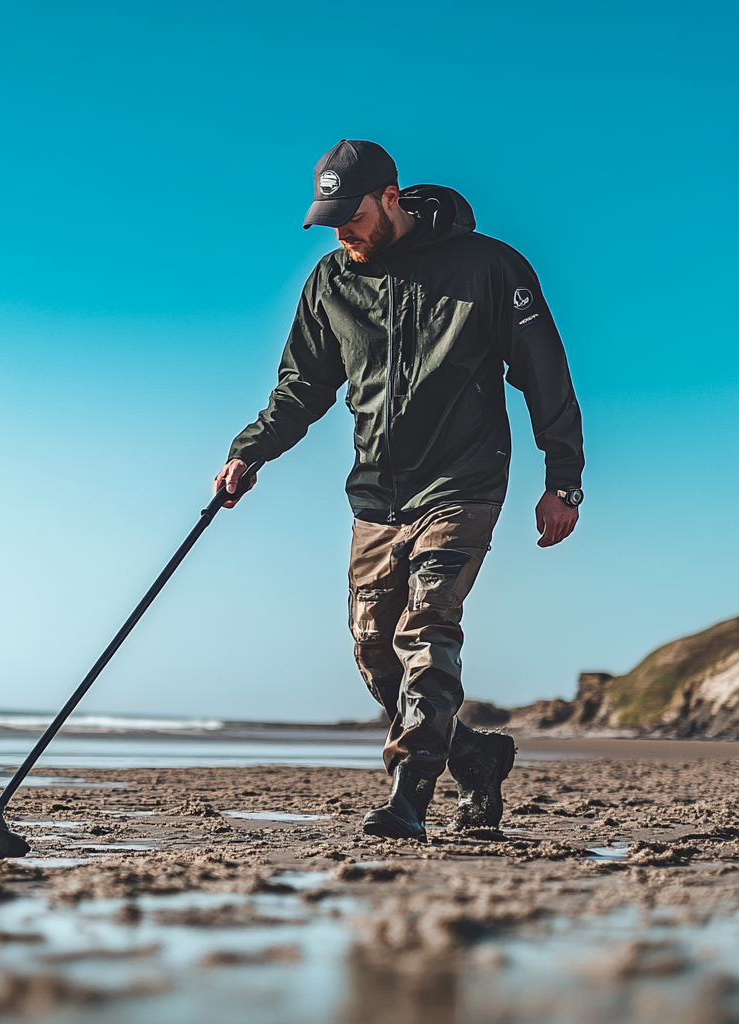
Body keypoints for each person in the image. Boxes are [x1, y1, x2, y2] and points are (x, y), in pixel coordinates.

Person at [213, 140, 584, 841]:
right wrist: (249, 454)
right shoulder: (331, 282)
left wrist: (564, 478)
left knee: (426, 628)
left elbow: (545, 371)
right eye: (328, 221)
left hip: (463, 482)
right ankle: (475, 757)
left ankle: (409, 797)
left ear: (389, 198)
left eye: (348, 216)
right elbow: (302, 387)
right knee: (373, 645)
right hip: (376, 494)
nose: (340, 232)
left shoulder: (489, 268)